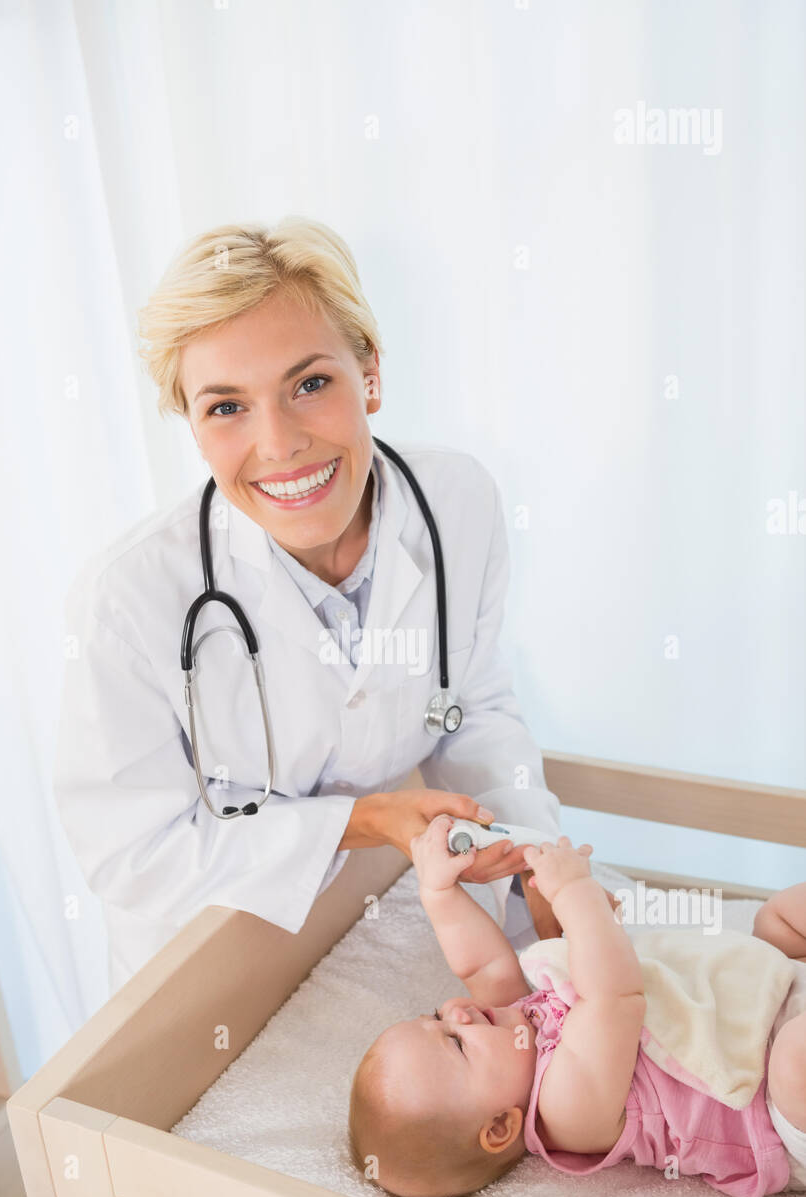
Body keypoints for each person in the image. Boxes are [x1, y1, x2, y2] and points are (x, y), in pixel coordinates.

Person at [54, 217, 563, 993]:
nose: (280, 443)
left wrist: (541, 871)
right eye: (226, 407)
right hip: (201, 966)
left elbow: (472, 706)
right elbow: (133, 855)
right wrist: (363, 823)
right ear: (191, 427)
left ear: (371, 375)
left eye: (310, 384)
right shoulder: (129, 598)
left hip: (365, 916)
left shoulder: (457, 501)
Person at [348, 819, 806, 1197]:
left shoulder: (516, 1030)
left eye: (435, 1016)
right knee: (795, 1059)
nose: (457, 1012)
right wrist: (573, 893)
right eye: (455, 1043)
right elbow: (613, 998)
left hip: (760, 1004)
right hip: (771, 1102)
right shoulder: (566, 1111)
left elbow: (481, 962)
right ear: (502, 1126)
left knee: (779, 917)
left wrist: (437, 892)